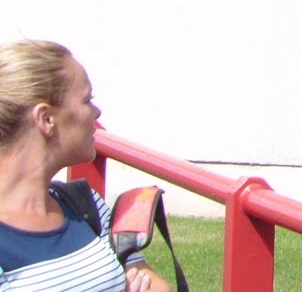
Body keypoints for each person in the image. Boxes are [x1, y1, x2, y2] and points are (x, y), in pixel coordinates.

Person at [0, 40, 174, 292]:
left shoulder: (83, 205)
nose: (97, 112)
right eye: (87, 100)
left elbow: (157, 288)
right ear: (46, 118)